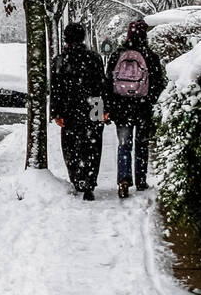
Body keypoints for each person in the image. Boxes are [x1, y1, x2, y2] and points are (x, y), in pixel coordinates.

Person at [105, 18, 167, 199]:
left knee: (124, 145)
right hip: (143, 109)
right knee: (142, 145)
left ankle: (123, 180)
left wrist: (109, 106)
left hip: (122, 107)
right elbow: (158, 84)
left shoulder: (118, 55)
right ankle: (140, 180)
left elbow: (108, 82)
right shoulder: (150, 56)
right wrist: (149, 100)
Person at [50, 21, 107, 200]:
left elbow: (56, 89)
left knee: (71, 146)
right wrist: (104, 109)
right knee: (92, 144)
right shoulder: (95, 58)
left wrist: (56, 112)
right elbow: (101, 86)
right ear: (83, 38)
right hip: (93, 107)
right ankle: (90, 181)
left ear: (65, 38)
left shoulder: (59, 61)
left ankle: (77, 178)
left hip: (69, 109)